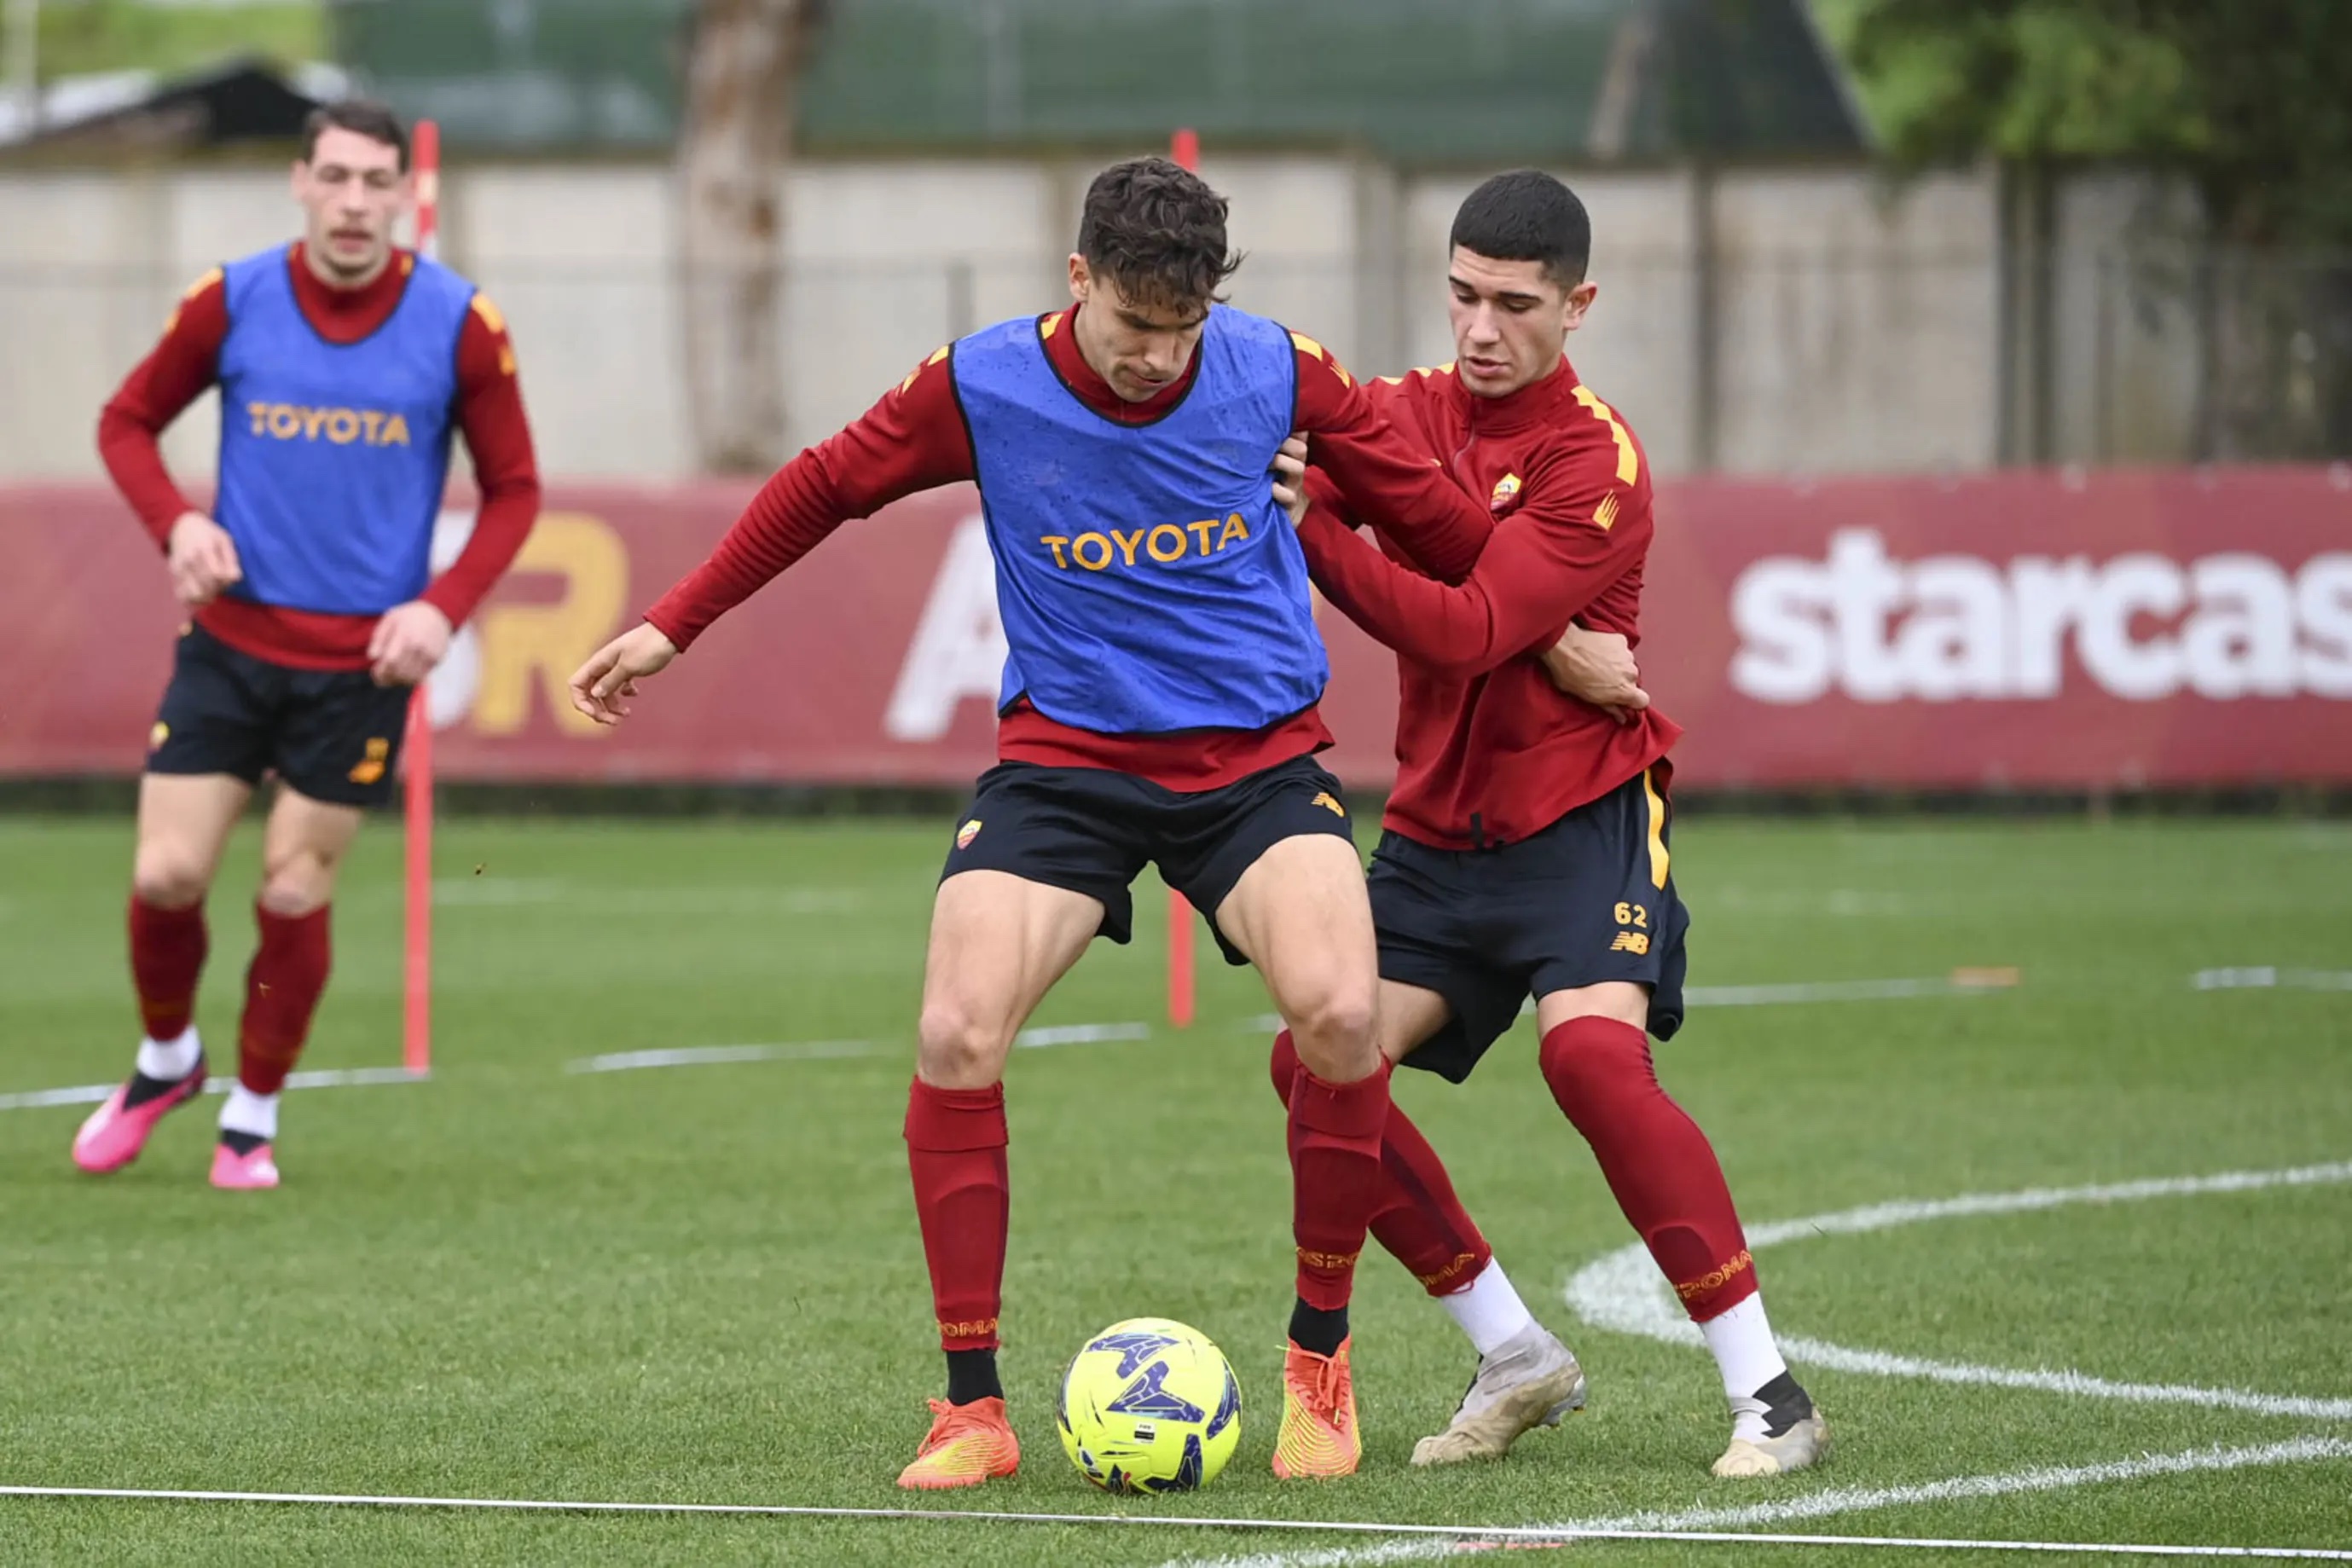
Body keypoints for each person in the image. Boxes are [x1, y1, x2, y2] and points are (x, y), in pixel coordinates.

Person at [567, 157, 1506, 1489]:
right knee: (955, 1029)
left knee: (1343, 1016)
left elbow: (1445, 526)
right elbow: (824, 485)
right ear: (1078, 282)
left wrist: (1530, 602)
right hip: (1062, 762)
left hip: (1254, 761)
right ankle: (972, 1410)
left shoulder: (1282, 371)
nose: (1151, 359)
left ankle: (1317, 1361)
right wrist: (673, 621)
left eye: (1178, 333)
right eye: (1130, 328)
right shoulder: (983, 383)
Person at [1272, 169, 1829, 1478]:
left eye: (1515, 303)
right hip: (1436, 827)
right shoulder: (1401, 412)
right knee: (1315, 1067)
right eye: (1462, 294)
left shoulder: (1596, 457)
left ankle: (1771, 1393)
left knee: (1589, 1064)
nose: (1480, 326)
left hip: (1580, 814)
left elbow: (1465, 627)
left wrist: (1320, 535)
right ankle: (1513, 1347)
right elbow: (1303, 419)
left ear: (1577, 306)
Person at [72, 101, 541, 1192]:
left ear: (402, 197)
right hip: (229, 646)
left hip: (361, 669)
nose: (354, 202)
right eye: (335, 176)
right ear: (300, 182)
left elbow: (516, 489)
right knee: (168, 872)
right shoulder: (231, 299)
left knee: (291, 892)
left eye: (377, 181)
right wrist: (178, 525)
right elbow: (124, 421)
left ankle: (252, 1111)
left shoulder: (460, 322)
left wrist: (443, 605)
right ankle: (164, 1062)